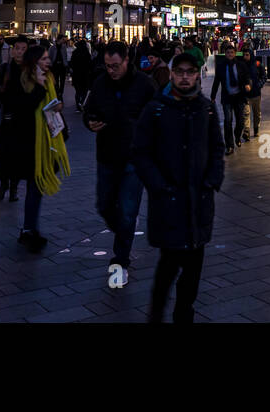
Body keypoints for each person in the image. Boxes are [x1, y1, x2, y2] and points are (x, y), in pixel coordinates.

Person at [132, 51, 224, 323]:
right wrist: (158, 186)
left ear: (197, 74)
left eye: (190, 72)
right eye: (179, 72)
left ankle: (184, 313)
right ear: (171, 74)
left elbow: (217, 149)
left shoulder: (205, 108)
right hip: (168, 202)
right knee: (168, 265)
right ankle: (157, 314)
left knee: (194, 269)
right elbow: (140, 152)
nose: (185, 77)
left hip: (199, 202)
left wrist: (212, 181)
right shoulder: (156, 108)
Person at [83, 40, 156, 288]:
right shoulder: (100, 82)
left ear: (127, 61)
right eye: (107, 66)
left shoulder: (144, 85)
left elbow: (157, 114)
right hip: (106, 155)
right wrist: (89, 122)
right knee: (104, 205)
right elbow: (89, 110)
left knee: (126, 210)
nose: (111, 70)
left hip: (134, 159)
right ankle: (124, 225)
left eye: (115, 66)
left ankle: (120, 261)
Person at [1, 45, 59, 252]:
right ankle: (28, 230)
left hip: (45, 140)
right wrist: (40, 88)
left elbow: (51, 107)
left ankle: (30, 228)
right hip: (27, 142)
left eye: (47, 58)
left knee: (37, 188)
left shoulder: (49, 79)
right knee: (35, 186)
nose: (48, 62)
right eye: (44, 59)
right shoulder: (21, 81)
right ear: (34, 62)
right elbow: (23, 108)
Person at [0, 36, 28, 201]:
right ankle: (3, 183)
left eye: (23, 49)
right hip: (4, 119)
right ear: (12, 51)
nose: (19, 52)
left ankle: (13, 188)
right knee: (2, 154)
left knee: (17, 156)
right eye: (17, 48)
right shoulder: (3, 68)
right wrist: (3, 88)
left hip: (22, 122)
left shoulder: (30, 70)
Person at [210, 47, 251, 156]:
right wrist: (212, 96)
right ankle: (229, 146)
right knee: (228, 121)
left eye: (232, 52)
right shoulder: (221, 66)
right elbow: (216, 82)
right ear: (225, 54)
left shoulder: (241, 65)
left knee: (240, 121)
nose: (230, 54)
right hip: (227, 98)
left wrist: (248, 85)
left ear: (235, 53)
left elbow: (247, 77)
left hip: (239, 97)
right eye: (228, 52)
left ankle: (237, 136)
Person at [244, 51, 265, 142]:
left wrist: (258, 85)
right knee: (246, 114)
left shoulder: (257, 64)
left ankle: (256, 129)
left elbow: (264, 77)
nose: (245, 57)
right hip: (246, 95)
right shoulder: (242, 65)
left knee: (257, 114)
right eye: (244, 54)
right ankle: (247, 132)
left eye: (247, 55)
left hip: (256, 94)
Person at [69, 39, 94, 112]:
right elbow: (90, 64)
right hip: (85, 75)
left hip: (76, 74)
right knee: (85, 90)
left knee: (78, 91)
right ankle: (81, 102)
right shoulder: (87, 53)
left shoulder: (75, 52)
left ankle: (78, 104)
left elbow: (72, 63)